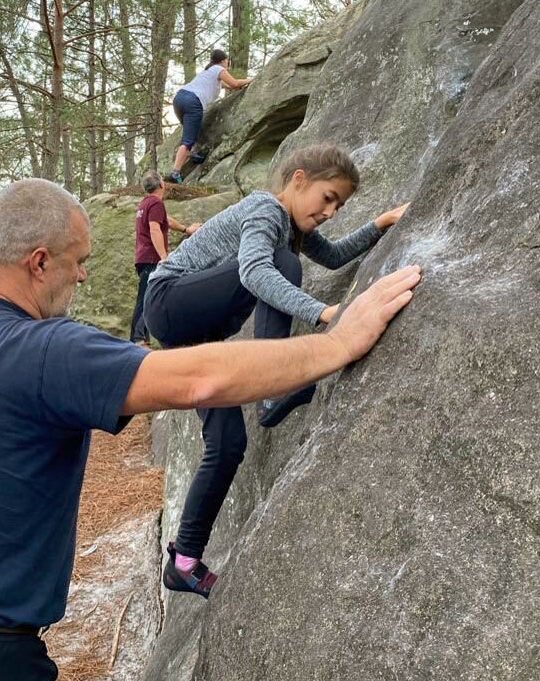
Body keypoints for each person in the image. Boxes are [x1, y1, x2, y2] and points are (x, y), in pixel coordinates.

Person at [0, 178, 420, 680]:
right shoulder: (41, 348)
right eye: (78, 261)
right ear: (39, 262)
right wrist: (338, 341)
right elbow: (199, 379)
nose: (83, 275)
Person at [143, 144, 409, 597]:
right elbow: (253, 273)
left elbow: (334, 255)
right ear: (298, 179)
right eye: (327, 198)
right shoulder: (266, 208)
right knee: (279, 263)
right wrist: (325, 314)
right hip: (169, 301)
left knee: (228, 442)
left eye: (339, 205)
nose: (330, 211)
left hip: (192, 337)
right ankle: (273, 389)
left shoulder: (292, 226)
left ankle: (184, 560)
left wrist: (380, 224)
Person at [131, 170, 200, 346]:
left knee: (149, 295)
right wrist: (164, 257)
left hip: (143, 257)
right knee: (148, 297)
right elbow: (154, 228)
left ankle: (141, 338)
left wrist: (186, 229)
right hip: (152, 259)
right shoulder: (156, 203)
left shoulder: (145, 203)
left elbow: (165, 220)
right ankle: (139, 339)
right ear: (162, 184)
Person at [168, 48, 252, 184]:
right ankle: (175, 172)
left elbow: (230, 86)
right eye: (227, 61)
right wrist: (251, 80)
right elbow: (234, 83)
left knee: (193, 132)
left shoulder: (208, 72)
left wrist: (239, 85)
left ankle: (194, 154)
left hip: (179, 98)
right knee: (188, 140)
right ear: (224, 61)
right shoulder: (218, 69)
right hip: (193, 101)